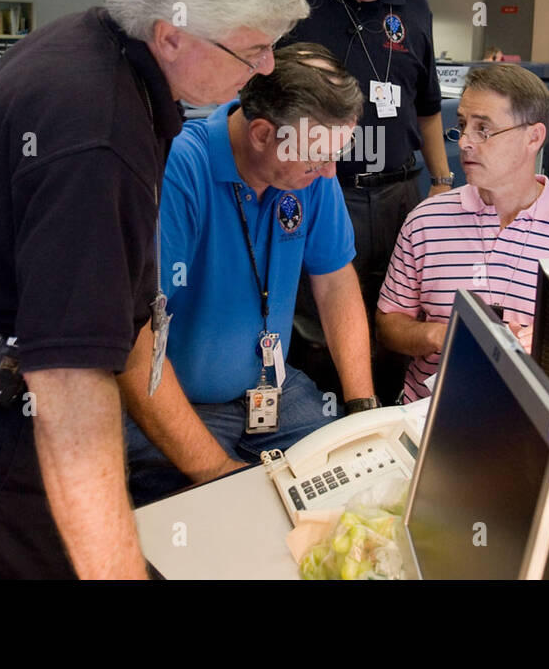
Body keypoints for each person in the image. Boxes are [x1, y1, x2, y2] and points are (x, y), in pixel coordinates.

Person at [0, 0, 310, 579]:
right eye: (254, 48)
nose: (263, 70)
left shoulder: (95, 48)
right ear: (172, 35)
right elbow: (71, 381)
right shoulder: (97, 131)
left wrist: (214, 472)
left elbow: (121, 320)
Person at [118, 44, 376, 506]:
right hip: (182, 401)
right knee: (211, 523)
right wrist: (216, 471)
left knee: (353, 486)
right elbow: (134, 338)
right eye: (318, 159)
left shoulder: (310, 169)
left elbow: (336, 283)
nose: (330, 172)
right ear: (261, 134)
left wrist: (361, 409)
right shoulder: (180, 168)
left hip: (273, 392)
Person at [282, 0, 449, 398]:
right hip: (322, 189)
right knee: (321, 331)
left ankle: (388, 431)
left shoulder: (411, 1)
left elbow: (426, 106)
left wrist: (442, 186)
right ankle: (324, 437)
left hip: (402, 191)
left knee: (398, 323)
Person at [377, 65, 549, 403]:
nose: (464, 143)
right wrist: (438, 335)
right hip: (428, 410)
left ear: (533, 137)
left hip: (533, 415)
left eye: (483, 129)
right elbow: (390, 324)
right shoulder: (425, 220)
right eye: (462, 126)